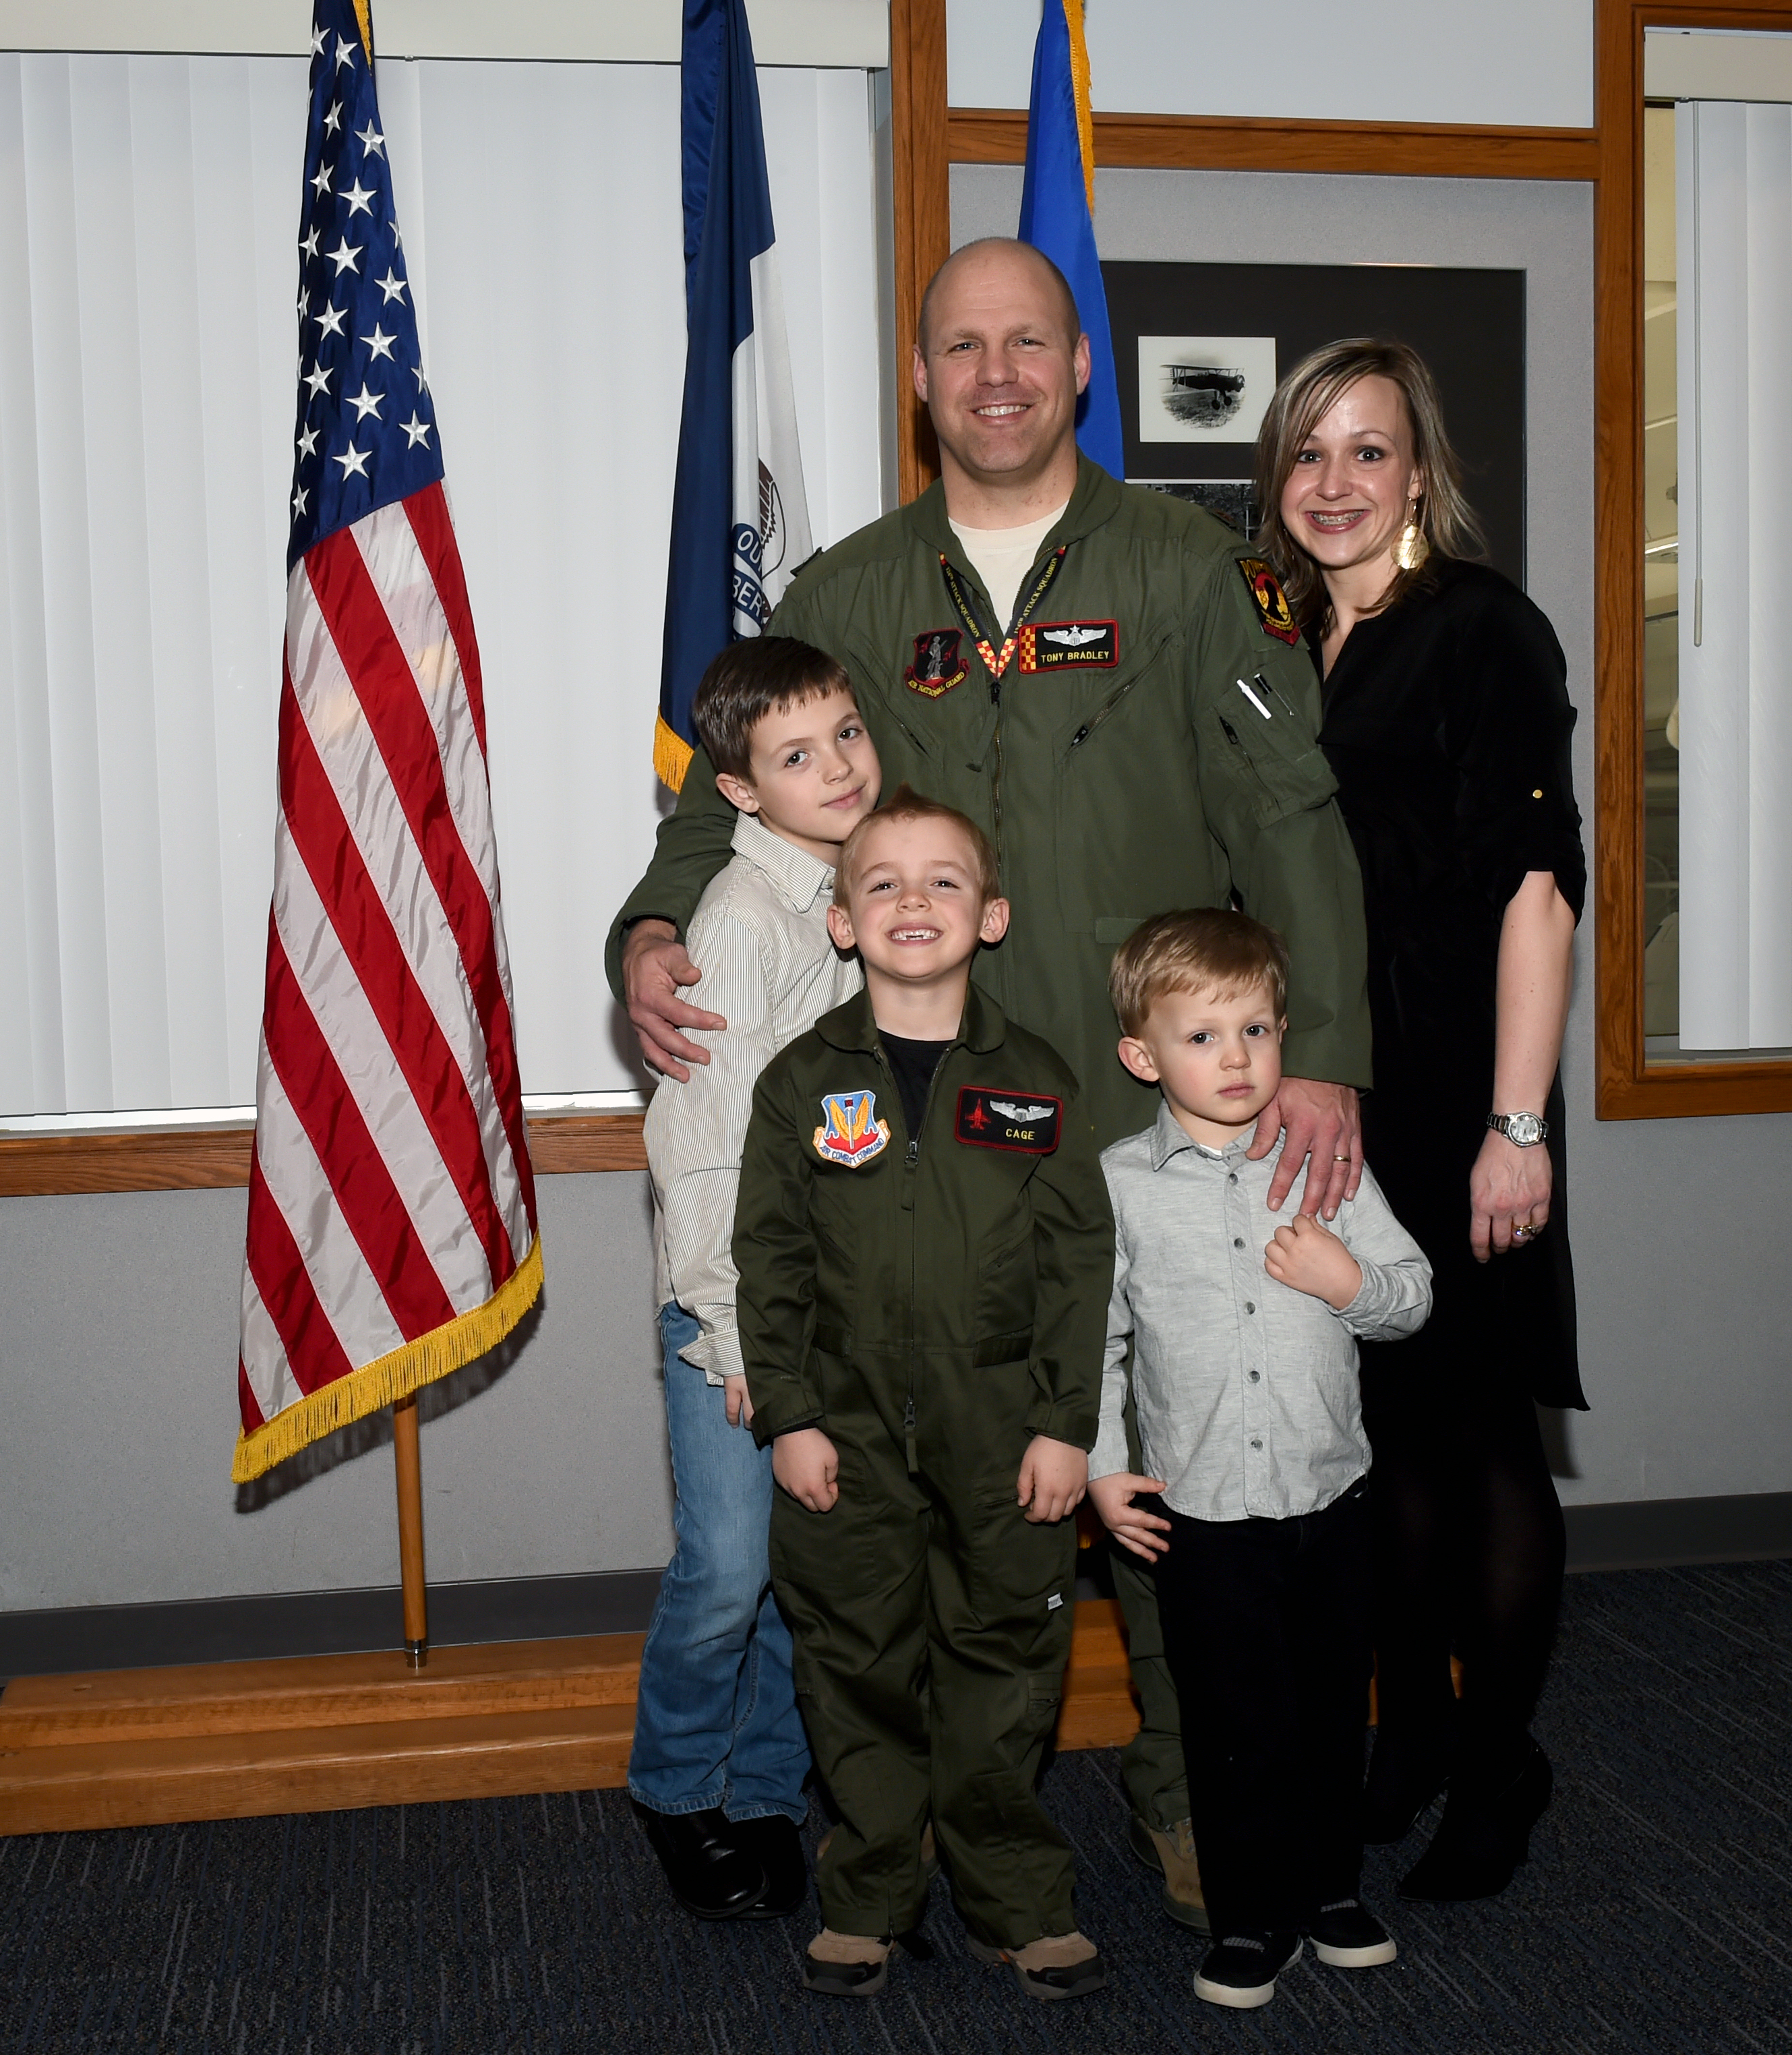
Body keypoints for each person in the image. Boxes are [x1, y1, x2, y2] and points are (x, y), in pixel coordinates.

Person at [609, 236, 1375, 1918]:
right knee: (913, 1495)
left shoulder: (1187, 566)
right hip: (914, 1144)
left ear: (1079, 364)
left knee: (1177, 1486)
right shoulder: (849, 591)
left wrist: (1318, 1064)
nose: (997, 374)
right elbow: (721, 784)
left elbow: (1288, 819)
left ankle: (1201, 1809)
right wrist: (655, 929)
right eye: (962, 347)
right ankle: (897, 1823)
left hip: (1148, 1124)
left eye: (1028, 342)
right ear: (920, 374)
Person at [1255, 338, 1588, 1900]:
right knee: (1370, 1449)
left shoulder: (1481, 631)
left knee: (1474, 1448)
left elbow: (1537, 891)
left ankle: (1497, 1767)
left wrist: (1515, 1126)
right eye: (1307, 453)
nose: (1333, 483)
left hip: (1464, 1093)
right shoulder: (1277, 646)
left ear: (1418, 473)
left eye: (1366, 452)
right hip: (1327, 1101)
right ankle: (1412, 1733)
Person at [733, 790, 1114, 2002]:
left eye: (944, 881)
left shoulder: (1039, 1081)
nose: (913, 902)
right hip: (841, 1430)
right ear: (842, 922)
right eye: (882, 882)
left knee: (1006, 1655)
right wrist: (790, 1414)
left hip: (1004, 1431)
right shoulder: (801, 1084)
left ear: (990, 916)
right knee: (853, 1658)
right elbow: (771, 1260)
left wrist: (1066, 1426)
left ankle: (1014, 1891)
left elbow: (1075, 1267)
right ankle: (873, 1888)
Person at [1089, 909, 1432, 2010]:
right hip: (1205, 1517)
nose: (1235, 1059)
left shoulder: (1326, 1167)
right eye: (1202, 1037)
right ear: (1144, 1054)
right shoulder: (1122, 1183)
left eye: (1256, 1029)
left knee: (1334, 1706)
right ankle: (1249, 1918)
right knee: (1233, 1723)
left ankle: (1330, 1891)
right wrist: (1102, 1469)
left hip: (1330, 1499)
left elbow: (1411, 1297)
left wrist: (1349, 1284)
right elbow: (1091, 1345)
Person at [629, 638, 880, 1922]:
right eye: (796, 755)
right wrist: (739, 1344)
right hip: (735, 1313)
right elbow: (703, 1150)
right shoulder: (740, 917)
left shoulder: (863, 892)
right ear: (739, 788)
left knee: (802, 1565)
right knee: (727, 1570)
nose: (835, 766)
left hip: (833, 1307)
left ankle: (767, 1793)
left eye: (846, 734)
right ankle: (677, 1792)